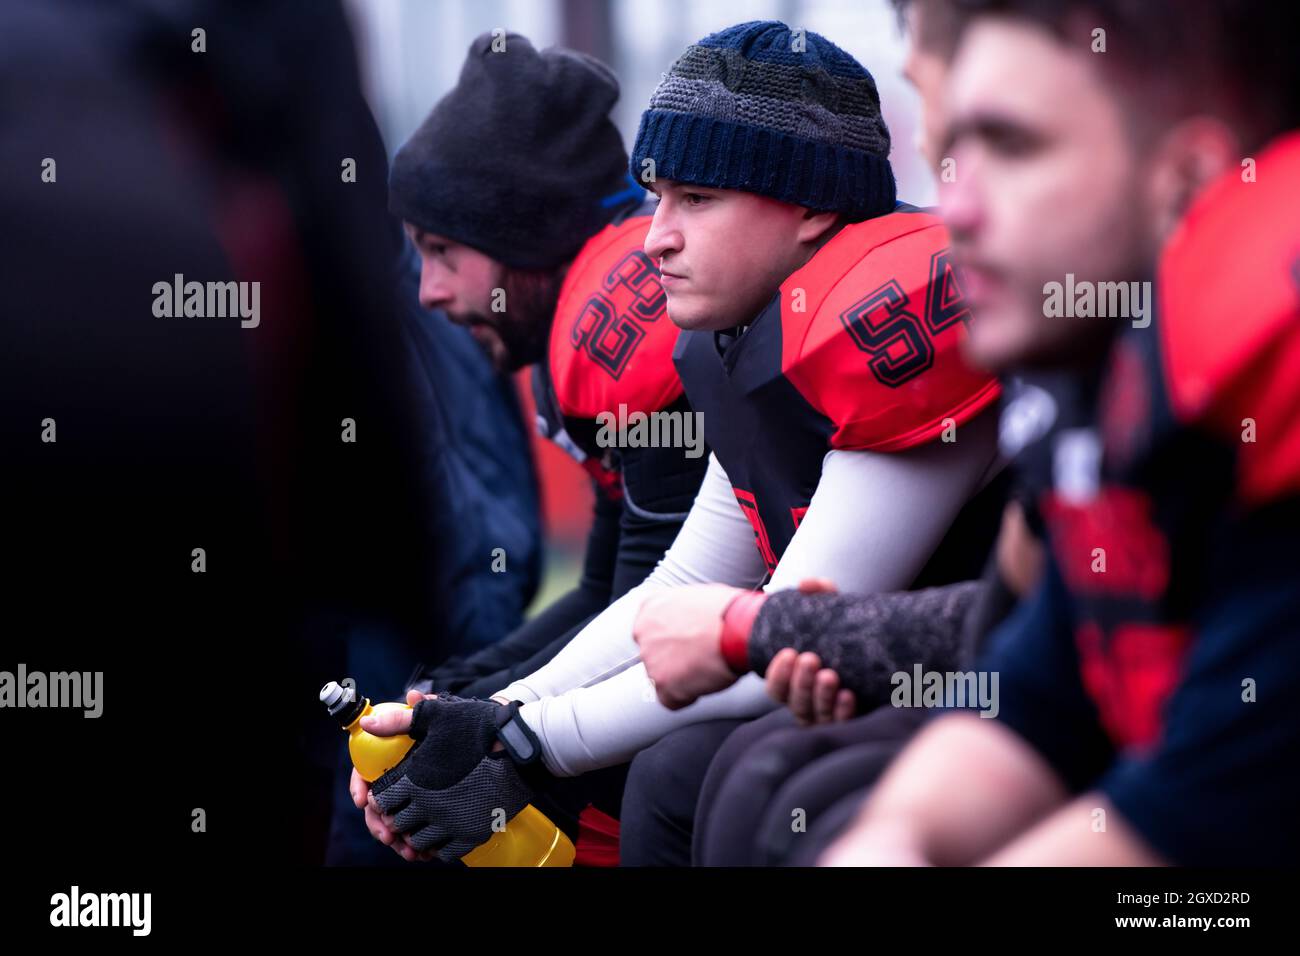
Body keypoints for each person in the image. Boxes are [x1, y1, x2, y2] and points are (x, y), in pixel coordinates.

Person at [357, 21, 1005, 867]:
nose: (658, 233)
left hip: (998, 674)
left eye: (697, 199)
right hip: (875, 670)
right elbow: (690, 581)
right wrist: (496, 714)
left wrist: (530, 743)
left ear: (811, 205)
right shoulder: (731, 340)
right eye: (658, 196)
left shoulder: (878, 323)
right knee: (691, 767)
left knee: (719, 774)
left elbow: (799, 625)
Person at [822, 0, 1300, 867]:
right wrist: (894, 835)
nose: (954, 207)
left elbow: (1186, 838)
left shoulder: (1262, 367)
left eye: (1011, 147)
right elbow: (1042, 693)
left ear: (1188, 181)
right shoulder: (1107, 362)